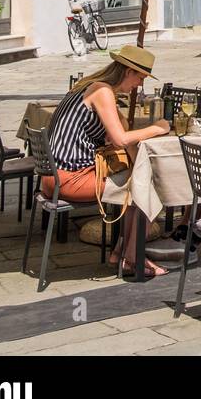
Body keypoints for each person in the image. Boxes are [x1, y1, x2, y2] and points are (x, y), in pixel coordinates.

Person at [49, 46, 171, 278]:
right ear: (127, 72)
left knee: (141, 180)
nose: (140, 85)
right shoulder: (102, 91)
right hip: (71, 178)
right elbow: (121, 138)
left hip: (53, 176)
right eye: (140, 77)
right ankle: (132, 257)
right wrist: (157, 128)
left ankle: (121, 253)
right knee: (147, 187)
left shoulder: (89, 87)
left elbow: (120, 134)